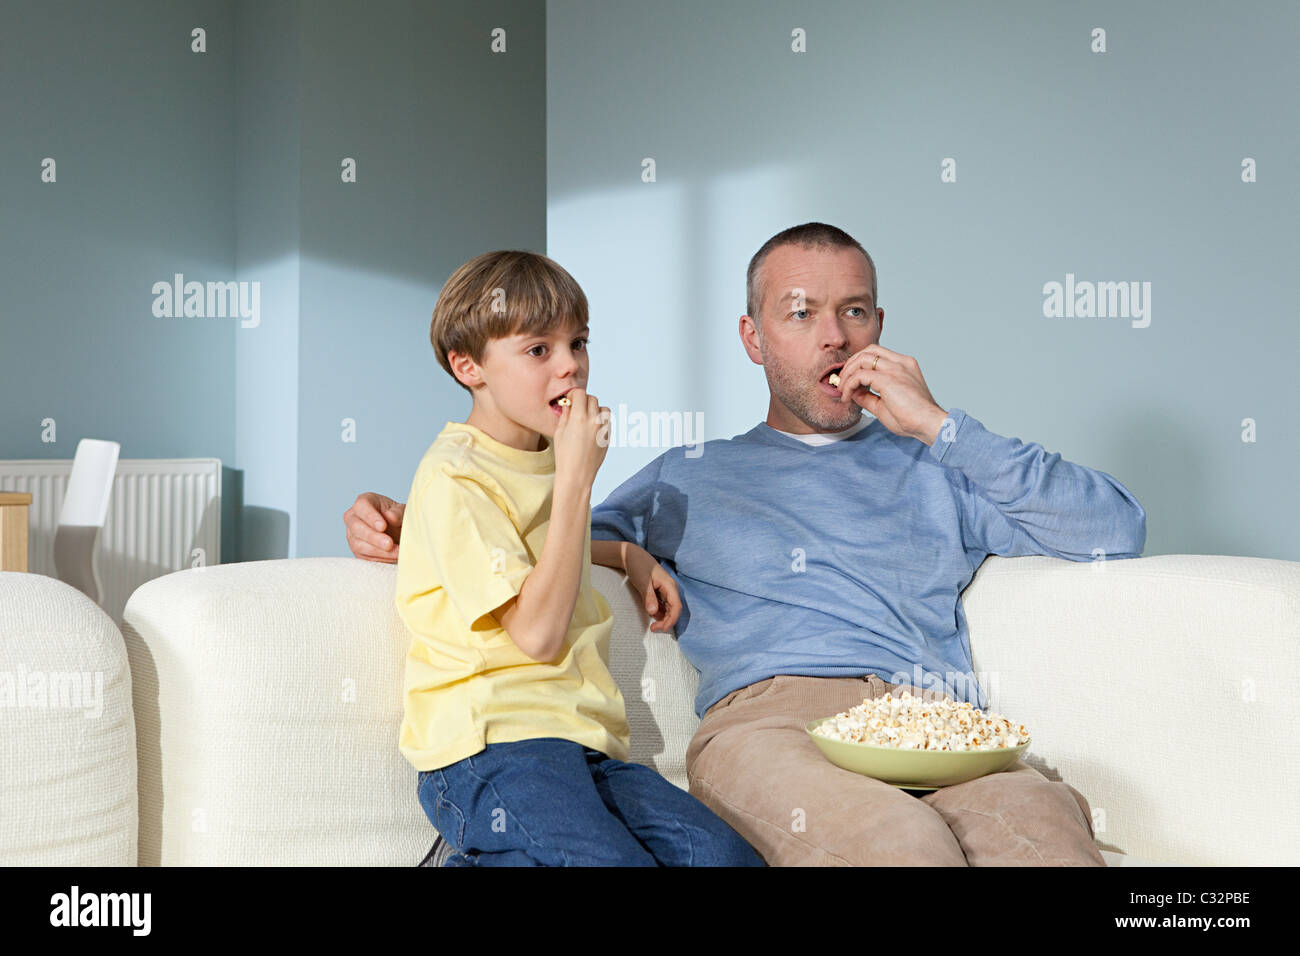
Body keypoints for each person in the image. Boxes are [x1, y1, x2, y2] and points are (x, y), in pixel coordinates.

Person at [349, 224, 1147, 866]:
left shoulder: (939, 467)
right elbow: (532, 534)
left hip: (931, 720)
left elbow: (1115, 532)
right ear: (753, 337)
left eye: (856, 312)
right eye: (801, 313)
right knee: (902, 848)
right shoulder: (689, 477)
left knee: (1045, 836)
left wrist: (938, 425)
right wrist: (406, 518)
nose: (834, 337)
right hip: (773, 729)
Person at [393, 249, 763, 867]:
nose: (570, 366)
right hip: (490, 747)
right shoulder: (454, 478)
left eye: (578, 343)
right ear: (469, 367)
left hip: (584, 743)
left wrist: (625, 553)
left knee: (725, 859)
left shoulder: (541, 461)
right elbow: (536, 633)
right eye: (539, 350)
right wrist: (576, 480)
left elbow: (540, 553)